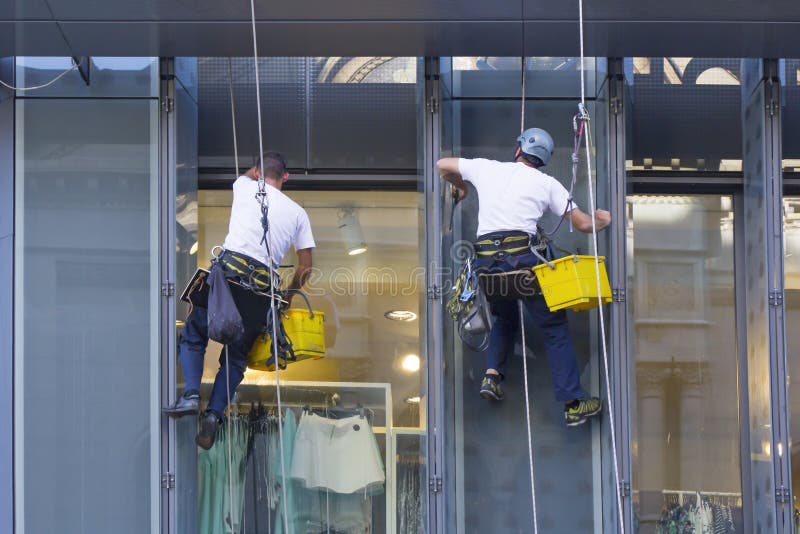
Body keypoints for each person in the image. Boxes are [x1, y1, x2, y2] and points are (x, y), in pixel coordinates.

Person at [437, 127, 611, 427]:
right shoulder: (548, 184)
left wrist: (461, 188)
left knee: (504, 319)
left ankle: (492, 376)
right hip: (523, 265)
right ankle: (572, 404)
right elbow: (583, 225)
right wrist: (604, 219)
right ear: (542, 159)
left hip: (488, 268)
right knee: (554, 328)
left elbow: (443, 165)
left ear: (519, 149)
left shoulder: (485, 167)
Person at [164, 151, 315, 448]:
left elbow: (250, 175)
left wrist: (257, 170)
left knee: (195, 333)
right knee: (235, 358)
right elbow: (307, 267)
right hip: (261, 291)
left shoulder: (245, 186)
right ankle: (213, 417)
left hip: (229, 278)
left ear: (258, 171)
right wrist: (287, 296)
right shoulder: (299, 213)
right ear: (286, 177)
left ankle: (192, 394)